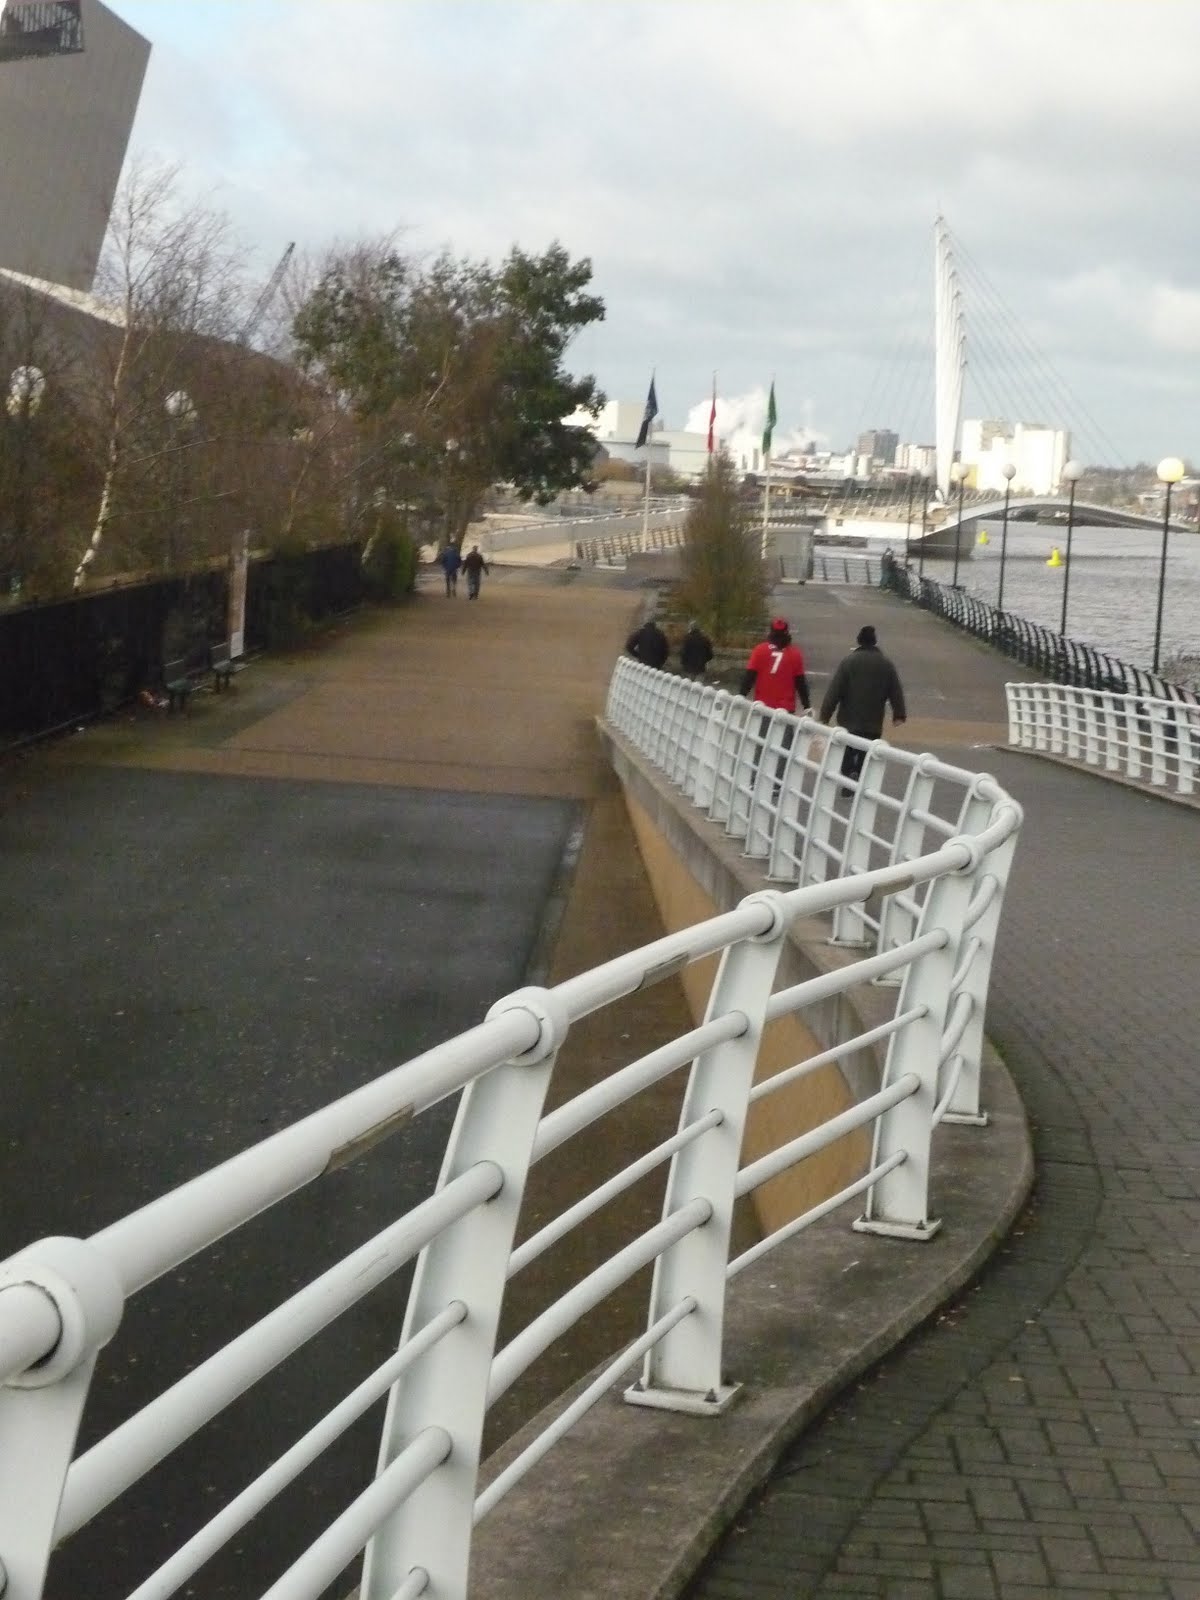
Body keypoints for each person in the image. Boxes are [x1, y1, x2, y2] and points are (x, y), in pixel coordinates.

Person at [819, 623, 907, 791]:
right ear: (874, 642)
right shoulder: (885, 664)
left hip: (849, 718)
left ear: (859, 641)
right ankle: (858, 775)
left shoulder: (849, 662)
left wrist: (825, 715)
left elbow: (835, 690)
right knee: (866, 751)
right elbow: (895, 690)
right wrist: (899, 713)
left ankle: (847, 779)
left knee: (848, 749)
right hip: (873, 719)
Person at [741, 617, 811, 713]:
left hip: (762, 706)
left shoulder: (759, 650)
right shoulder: (795, 654)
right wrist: (806, 705)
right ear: (786, 633)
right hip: (786, 708)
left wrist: (741, 696)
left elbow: (749, 678)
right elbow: (800, 683)